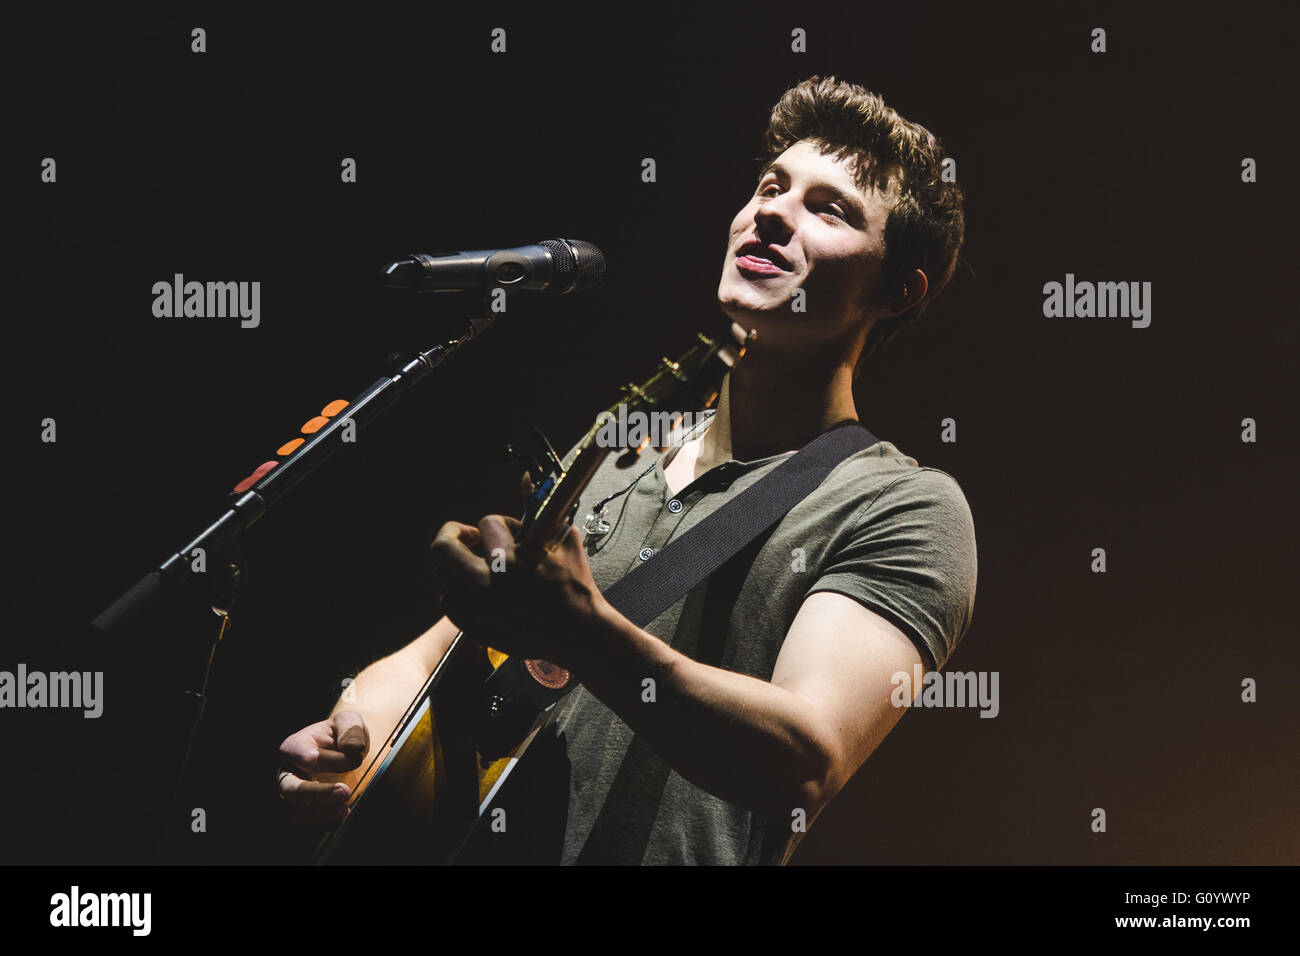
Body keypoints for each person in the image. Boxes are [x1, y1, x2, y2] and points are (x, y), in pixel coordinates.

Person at [277, 75, 976, 865]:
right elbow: (447, 644)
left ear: (896, 289)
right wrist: (355, 735)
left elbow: (804, 758)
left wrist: (586, 630)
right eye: (771, 187)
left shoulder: (902, 506)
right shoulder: (622, 445)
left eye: (829, 207)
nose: (773, 212)